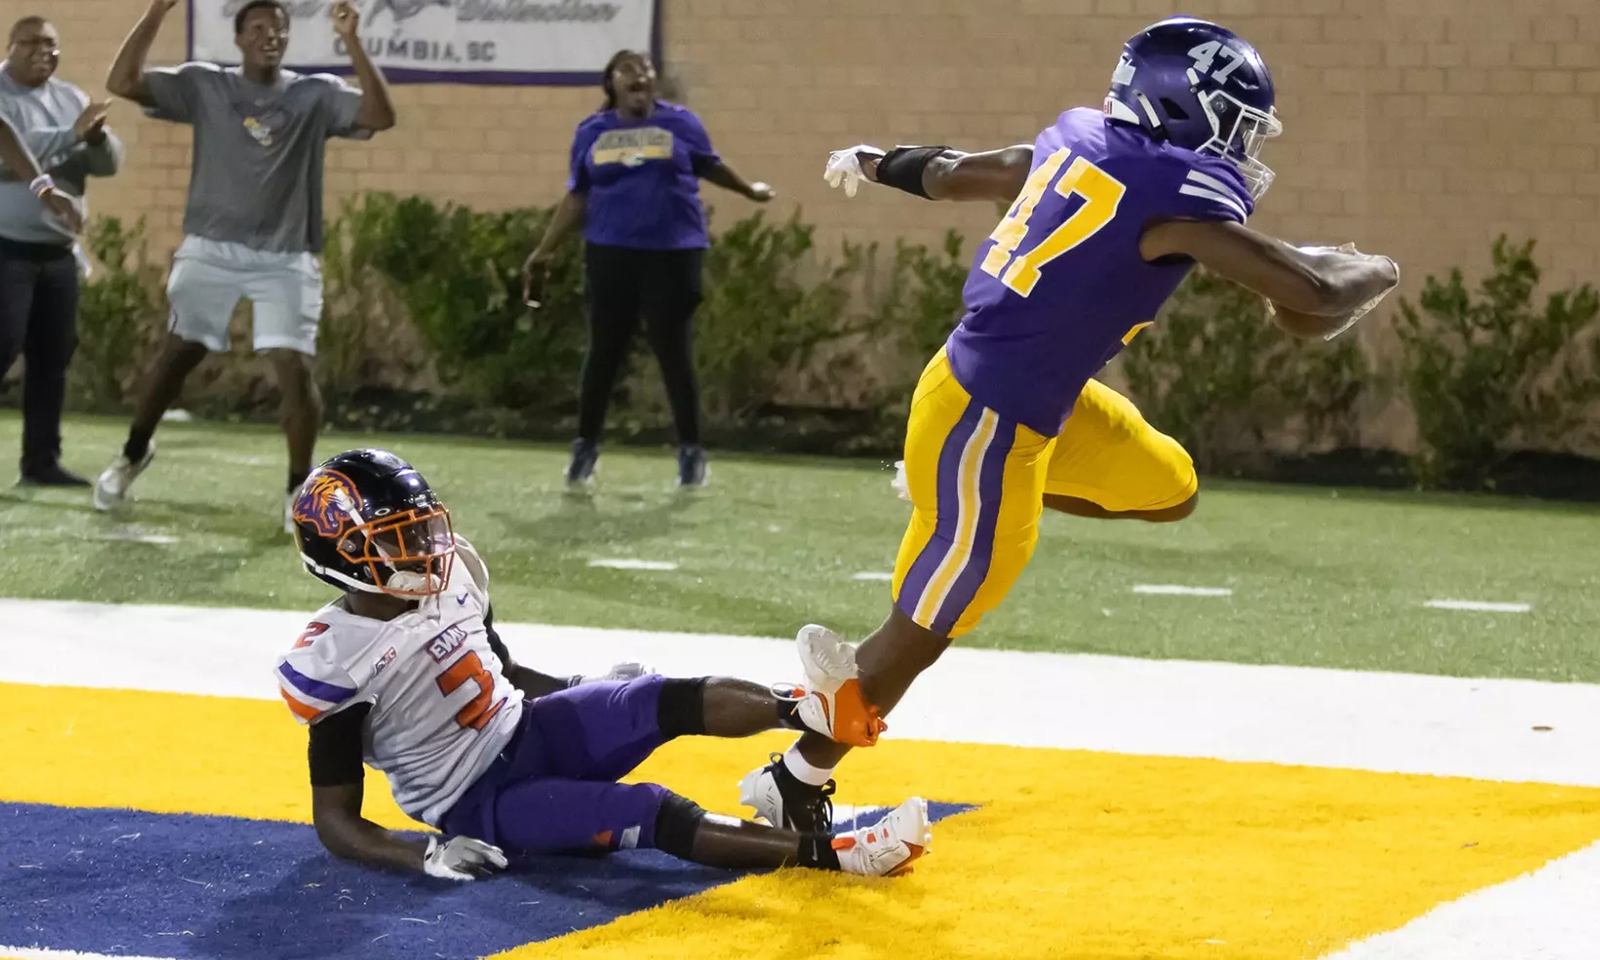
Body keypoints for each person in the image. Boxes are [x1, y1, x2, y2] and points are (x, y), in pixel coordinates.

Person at [739, 17, 1402, 833]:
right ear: (1181, 105)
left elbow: (955, 173)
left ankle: (965, 500)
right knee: (921, 633)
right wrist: (1381, 266)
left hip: (1027, 406)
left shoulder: (1079, 142)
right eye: (1234, 122)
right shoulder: (1176, 199)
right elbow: (1313, 295)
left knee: (1170, 489)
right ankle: (793, 779)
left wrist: (877, 160)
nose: (1242, 143)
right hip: (986, 418)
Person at [279, 448, 930, 881]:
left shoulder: (453, 576)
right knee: (651, 810)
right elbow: (336, 822)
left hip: (527, 727)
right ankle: (837, 856)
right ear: (342, 555)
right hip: (482, 801)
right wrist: (423, 853)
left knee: (653, 696)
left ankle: (810, 708)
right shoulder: (336, 659)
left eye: (422, 527)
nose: (425, 546)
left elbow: (500, 668)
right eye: (397, 537)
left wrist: (580, 686)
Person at [92, 0, 395, 531]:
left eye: (278, 29)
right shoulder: (206, 85)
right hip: (210, 248)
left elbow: (380, 116)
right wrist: (158, 11)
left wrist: (351, 40)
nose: (268, 36)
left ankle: (299, 490)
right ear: (238, 39)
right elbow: (122, 82)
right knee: (178, 353)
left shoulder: (314, 94)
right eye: (257, 28)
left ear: (286, 38)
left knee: (293, 365)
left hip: (286, 254)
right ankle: (134, 452)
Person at [521, 50, 774, 489]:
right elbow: (577, 195)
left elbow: (710, 165)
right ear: (611, 83)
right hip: (610, 252)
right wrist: (544, 250)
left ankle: (691, 454)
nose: (638, 75)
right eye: (627, 69)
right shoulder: (592, 132)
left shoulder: (681, 123)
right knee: (604, 352)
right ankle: (584, 450)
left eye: (645, 69)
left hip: (673, 253)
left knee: (673, 350)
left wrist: (750, 191)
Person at [0, 16, 119, 486]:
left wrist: (96, 139)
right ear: (9, 46)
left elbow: (108, 164)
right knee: (2, 346)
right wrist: (69, 137)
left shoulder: (70, 97)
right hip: (6, 247)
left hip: (57, 251)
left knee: (52, 359)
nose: (43, 51)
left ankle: (41, 461)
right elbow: (9, 153)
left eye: (51, 44)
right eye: (31, 42)